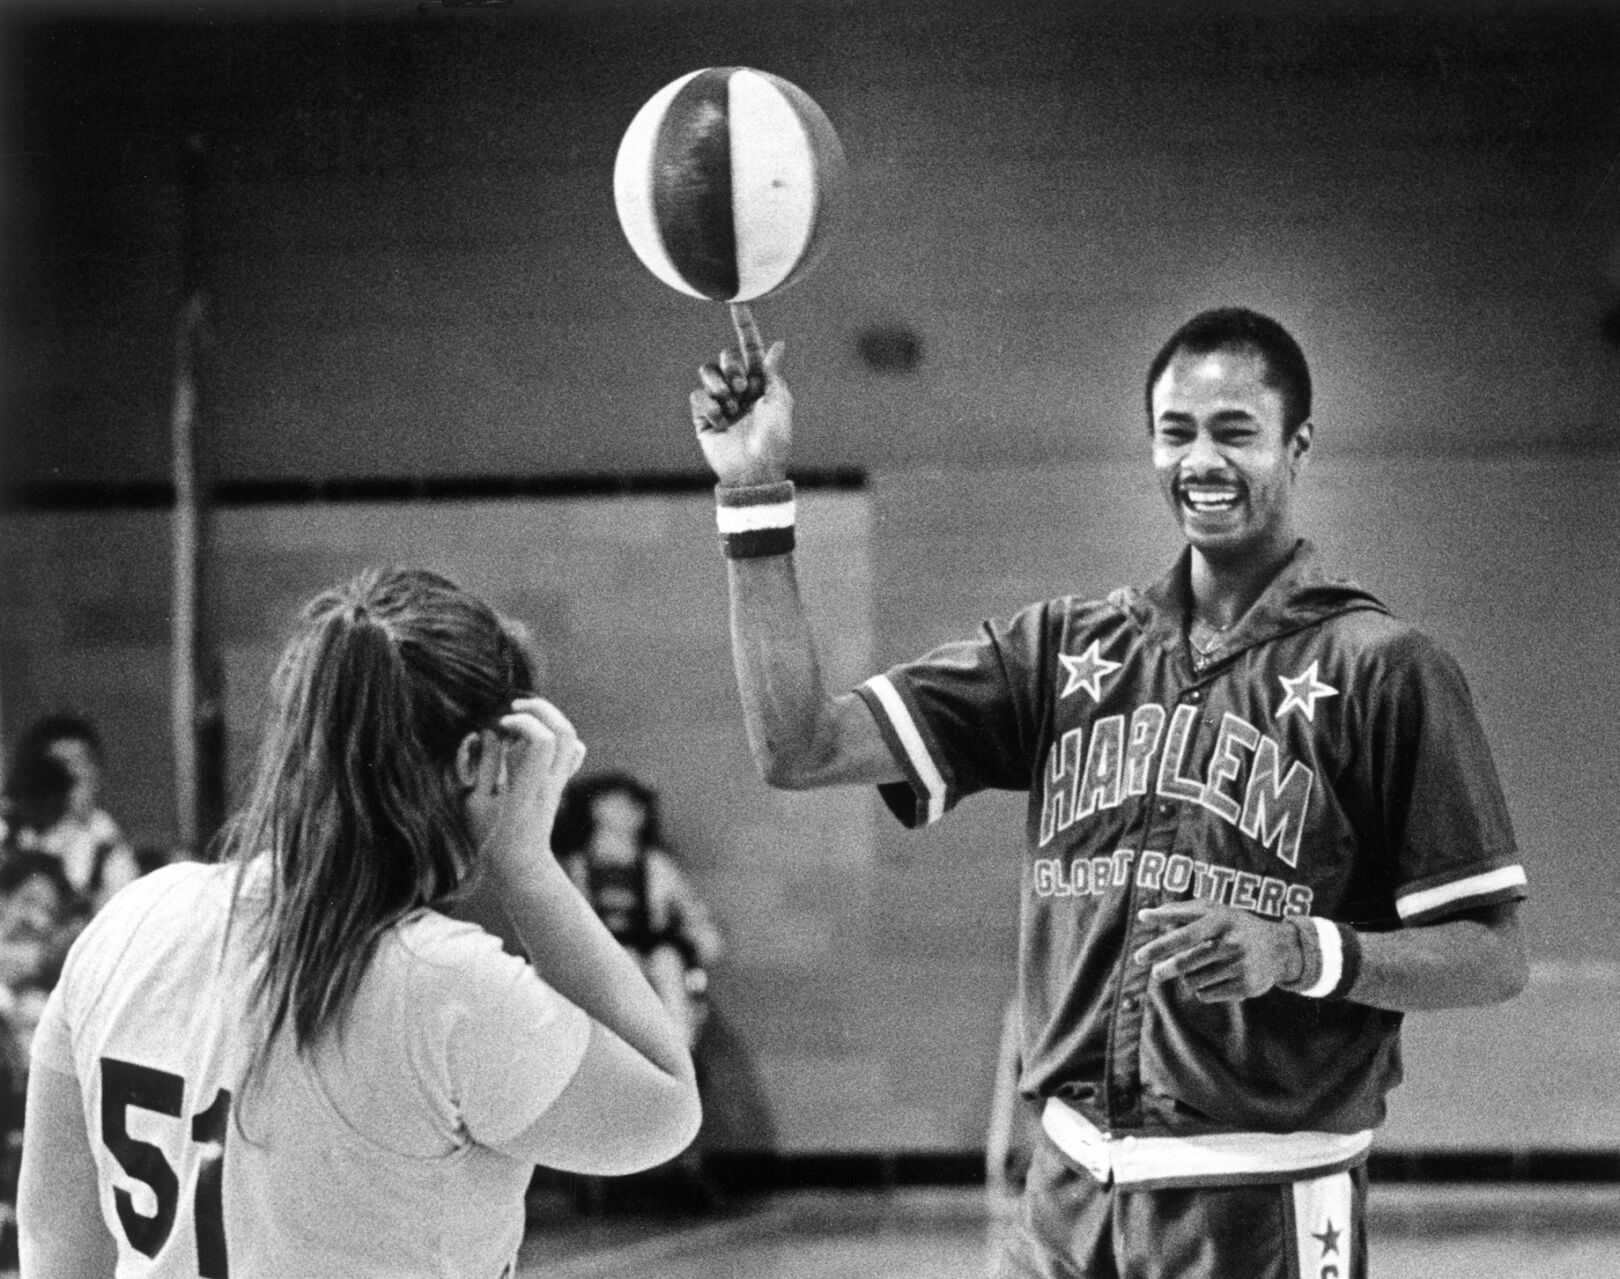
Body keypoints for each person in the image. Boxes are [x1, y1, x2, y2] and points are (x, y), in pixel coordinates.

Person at [689, 305, 1529, 1279]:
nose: (1201, 461)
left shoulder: (1387, 669)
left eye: (1235, 431)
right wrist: (753, 494)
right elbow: (801, 746)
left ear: (1298, 446)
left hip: (1259, 1206)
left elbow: (1490, 956)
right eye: (1176, 432)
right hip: (1066, 1194)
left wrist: (1298, 950)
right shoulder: (1065, 651)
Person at [17, 567, 701, 1278]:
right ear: (474, 757)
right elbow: (666, 1108)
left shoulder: (131, 919)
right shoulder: (445, 982)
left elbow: (56, 1247)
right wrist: (526, 864)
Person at [555, 772, 725, 1051]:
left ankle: (678, 1050)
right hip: (600, 949)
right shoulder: (578, 865)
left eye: (633, 805)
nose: (630, 812)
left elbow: (690, 909)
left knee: (667, 966)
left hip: (653, 944)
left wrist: (703, 937)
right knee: (624, 966)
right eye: (618, 805)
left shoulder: (657, 865)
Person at [2, 714, 139, 917]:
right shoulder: (10, 828)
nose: (73, 774)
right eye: (61, 764)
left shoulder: (106, 844)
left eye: (81, 762)